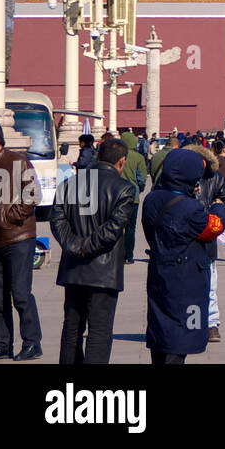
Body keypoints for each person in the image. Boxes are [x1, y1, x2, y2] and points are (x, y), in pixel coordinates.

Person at [50, 137, 136, 364]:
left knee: (72, 328)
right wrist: (86, 247)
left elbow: (57, 219)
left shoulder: (70, 184)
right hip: (104, 271)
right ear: (121, 161)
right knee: (99, 332)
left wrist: (73, 245)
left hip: (74, 267)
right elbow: (113, 230)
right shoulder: (124, 188)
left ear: (98, 156)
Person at [142, 149, 225, 363]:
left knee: (161, 331)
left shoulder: (151, 200)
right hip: (185, 280)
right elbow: (214, 228)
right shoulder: (191, 209)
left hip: (159, 273)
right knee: (181, 338)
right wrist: (219, 208)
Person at [0, 122, 42, 361]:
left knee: (20, 293)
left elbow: (33, 194)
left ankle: (32, 343)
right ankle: (3, 343)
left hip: (18, 237)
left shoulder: (17, 161)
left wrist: (9, 216)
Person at [195, 143, 225, 342]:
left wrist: (218, 212)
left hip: (207, 240)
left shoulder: (215, 178)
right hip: (183, 242)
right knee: (188, 287)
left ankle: (211, 323)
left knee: (210, 285)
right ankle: (193, 324)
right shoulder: (176, 179)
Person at [117, 130, 148, 265]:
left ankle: (117, 254)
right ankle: (129, 255)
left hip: (116, 195)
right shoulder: (139, 158)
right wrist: (139, 189)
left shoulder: (116, 156)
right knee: (130, 227)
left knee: (116, 226)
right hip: (132, 196)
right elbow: (141, 179)